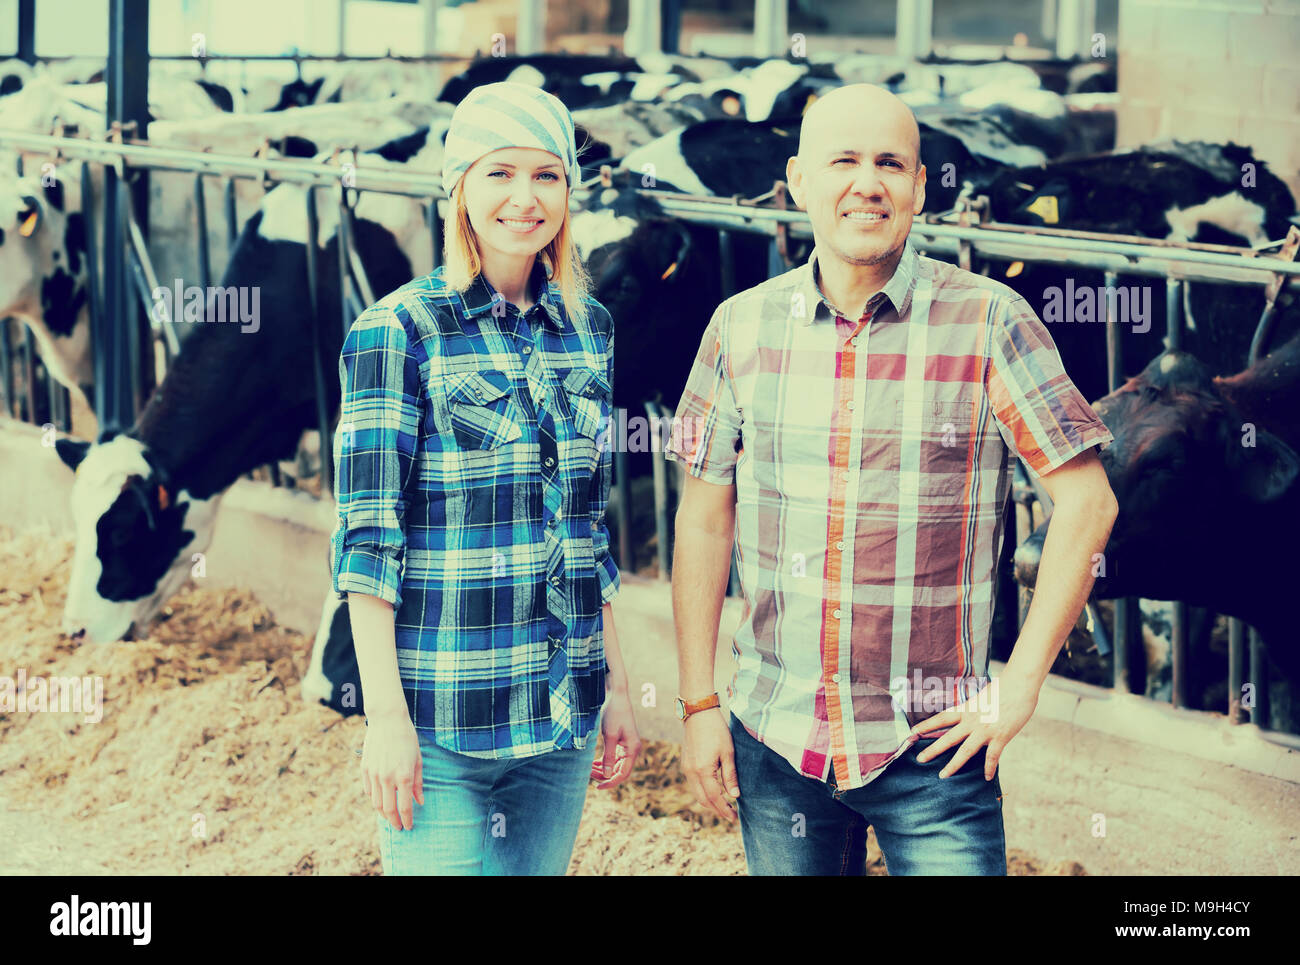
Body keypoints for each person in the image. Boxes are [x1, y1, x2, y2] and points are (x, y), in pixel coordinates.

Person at [665, 83, 1118, 876]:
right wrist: (699, 702)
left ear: (917, 186)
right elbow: (704, 516)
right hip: (778, 738)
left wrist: (1018, 687)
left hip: (935, 748)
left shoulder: (990, 321)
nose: (867, 182)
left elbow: (1087, 502)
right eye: (843, 160)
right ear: (799, 181)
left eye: (890, 163)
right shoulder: (738, 326)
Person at [330, 81, 641, 876]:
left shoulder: (589, 329)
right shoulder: (396, 330)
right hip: (442, 720)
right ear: (459, 185)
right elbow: (368, 544)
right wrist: (386, 720)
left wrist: (618, 688)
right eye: (500, 172)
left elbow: (586, 530)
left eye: (547, 175)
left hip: (561, 714)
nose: (524, 197)